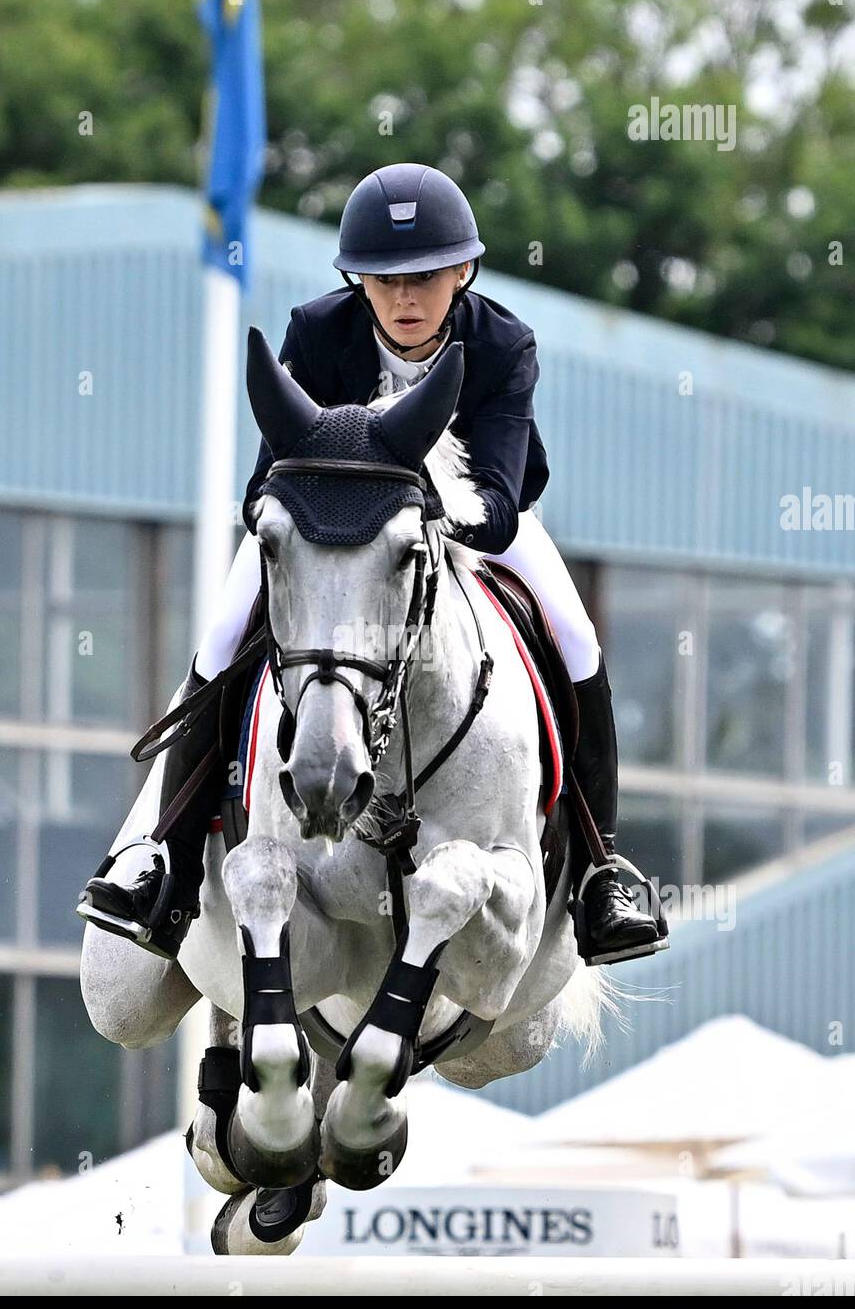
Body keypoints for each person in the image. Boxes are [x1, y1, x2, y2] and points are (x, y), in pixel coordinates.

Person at [78, 162, 663, 967]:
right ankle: (166, 858)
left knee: (574, 633)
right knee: (221, 630)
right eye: (384, 281)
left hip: (471, 523)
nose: (405, 298)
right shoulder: (317, 334)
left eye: (425, 277)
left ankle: (602, 869)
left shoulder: (503, 347)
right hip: (324, 530)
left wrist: (427, 516)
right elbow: (263, 484)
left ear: (464, 270)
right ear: (358, 280)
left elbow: (496, 498)